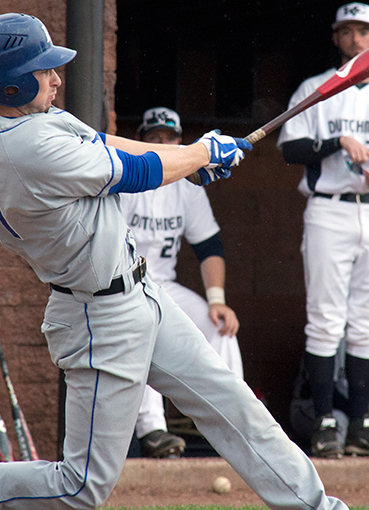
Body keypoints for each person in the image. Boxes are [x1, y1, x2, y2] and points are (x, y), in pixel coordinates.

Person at [0, 13, 349, 510]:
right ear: (11, 85)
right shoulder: (28, 147)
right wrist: (198, 154)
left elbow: (101, 144)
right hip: (97, 315)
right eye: (42, 71)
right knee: (81, 487)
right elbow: (138, 170)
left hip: (141, 292)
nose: (56, 78)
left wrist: (193, 159)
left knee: (236, 407)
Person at [276, 2, 369, 458]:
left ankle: (360, 423)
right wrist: (336, 142)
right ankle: (326, 420)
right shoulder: (316, 87)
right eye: (348, 31)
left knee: (367, 323)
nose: (357, 39)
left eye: (365, 31)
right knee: (325, 319)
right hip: (330, 210)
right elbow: (289, 148)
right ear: (337, 37)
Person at [120, 107, 244, 458]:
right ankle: (153, 430)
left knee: (218, 324)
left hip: (164, 284)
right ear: (142, 140)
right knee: (143, 326)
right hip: (127, 283)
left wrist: (217, 299)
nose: (164, 143)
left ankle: (233, 420)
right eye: (155, 137)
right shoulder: (129, 178)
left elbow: (210, 247)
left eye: (170, 137)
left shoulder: (188, 185)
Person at [289, 314, 369, 455]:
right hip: (315, 406)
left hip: (368, 410)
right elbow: (329, 394)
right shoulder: (334, 320)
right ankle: (336, 474)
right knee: (339, 421)